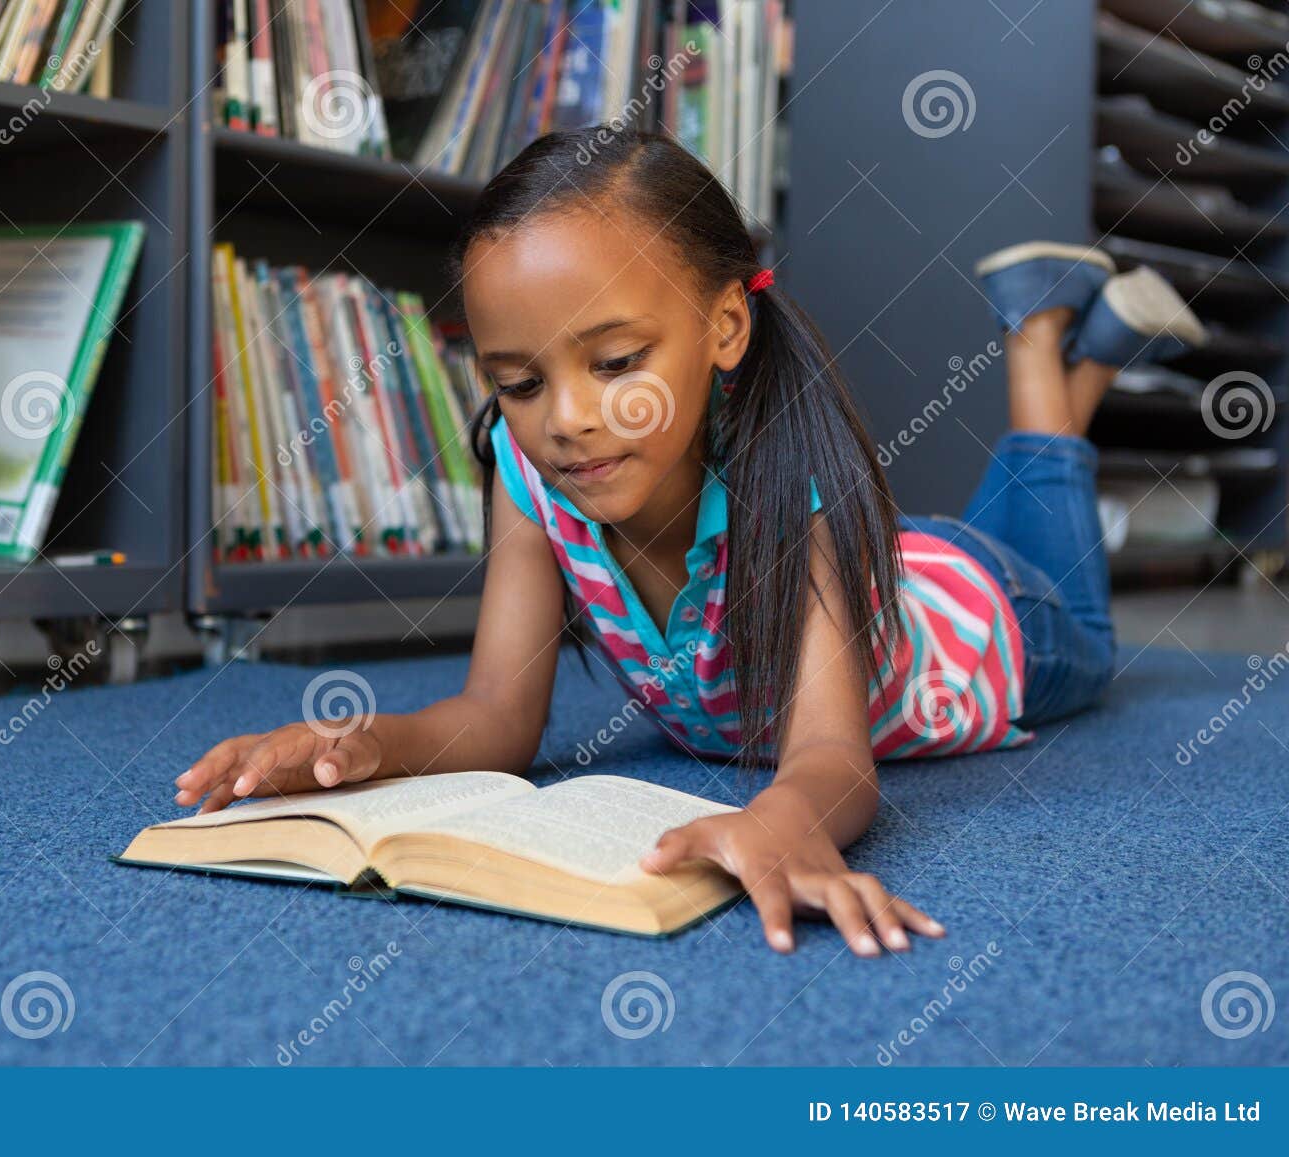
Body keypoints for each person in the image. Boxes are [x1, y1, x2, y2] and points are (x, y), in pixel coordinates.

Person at [174, 129, 1204, 955]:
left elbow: (833, 756)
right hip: (887, 559)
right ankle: (1088, 339)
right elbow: (496, 714)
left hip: (979, 619)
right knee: (982, 531)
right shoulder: (531, 475)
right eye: (519, 381)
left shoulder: (788, 489)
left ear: (722, 328)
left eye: (616, 360)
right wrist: (365, 746)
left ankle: (1042, 352)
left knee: (1086, 631)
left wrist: (786, 814)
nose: (566, 417)